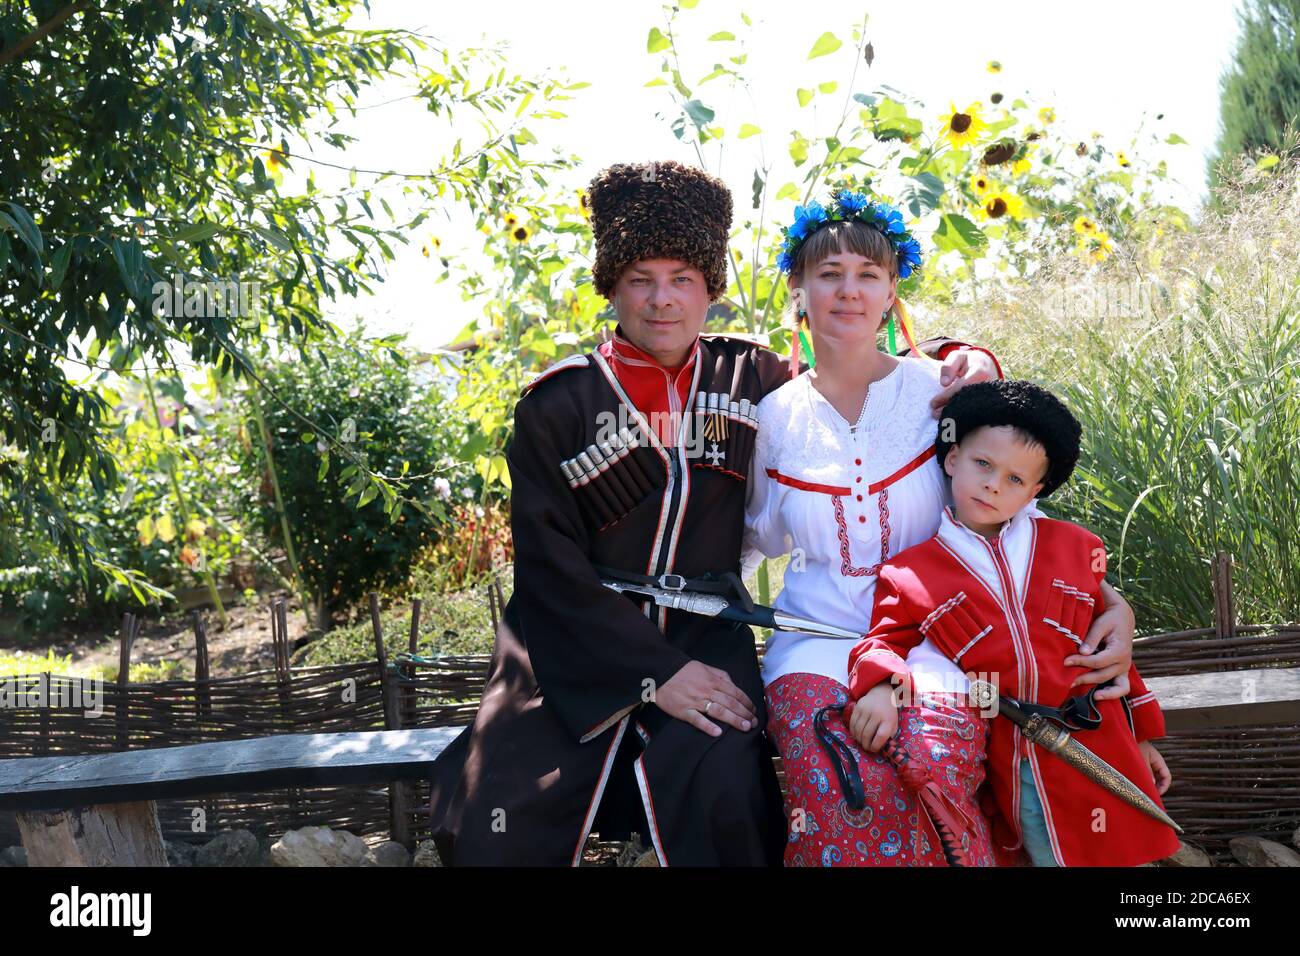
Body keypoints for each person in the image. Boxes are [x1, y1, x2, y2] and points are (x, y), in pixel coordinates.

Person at [427, 160, 1001, 866]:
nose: (662, 301)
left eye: (683, 281)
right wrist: (654, 674)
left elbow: (857, 365)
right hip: (570, 644)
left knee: (728, 789)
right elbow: (548, 570)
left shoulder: (751, 378)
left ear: (709, 290)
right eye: (640, 279)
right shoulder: (557, 405)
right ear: (612, 288)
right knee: (499, 819)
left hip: (706, 635)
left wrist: (965, 358)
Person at [744, 186, 1139, 867]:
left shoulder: (942, 396)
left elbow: (1017, 518)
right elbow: (743, 544)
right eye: (828, 274)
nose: (848, 292)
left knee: (934, 768)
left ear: (894, 288)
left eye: (869, 275)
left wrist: (1113, 604)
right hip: (814, 642)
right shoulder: (772, 419)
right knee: (842, 784)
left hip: (940, 643)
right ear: (797, 286)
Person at [846, 379, 1179, 867]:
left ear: (1035, 492)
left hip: (1098, 738)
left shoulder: (1072, 547)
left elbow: (1109, 652)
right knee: (1044, 850)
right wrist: (878, 688)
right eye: (983, 464)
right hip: (1015, 747)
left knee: (1120, 850)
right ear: (953, 457)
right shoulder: (912, 572)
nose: (994, 484)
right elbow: (884, 640)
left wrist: (1143, 738)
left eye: (1015, 479)